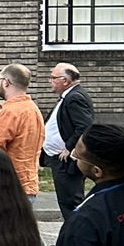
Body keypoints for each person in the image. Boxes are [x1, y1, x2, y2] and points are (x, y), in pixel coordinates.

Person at [40, 62, 95, 219]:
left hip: (67, 161)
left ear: (65, 80)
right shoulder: (67, 97)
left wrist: (69, 148)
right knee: (66, 202)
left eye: (53, 77)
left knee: (70, 203)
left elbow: (84, 126)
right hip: (58, 159)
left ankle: (77, 239)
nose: (50, 81)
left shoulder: (75, 98)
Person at [0, 64, 46, 196]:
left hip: (7, 188)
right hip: (29, 184)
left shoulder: (9, 112)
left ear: (6, 82)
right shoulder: (34, 109)